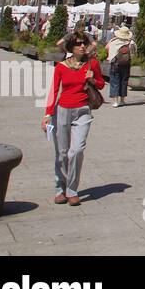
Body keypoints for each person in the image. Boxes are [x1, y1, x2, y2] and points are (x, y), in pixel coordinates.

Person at [43, 32, 105, 206]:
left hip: (83, 110)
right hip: (62, 110)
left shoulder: (92, 64)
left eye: (84, 43)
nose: (82, 46)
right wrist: (48, 114)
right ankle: (60, 189)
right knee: (62, 152)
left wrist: (92, 79)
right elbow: (53, 91)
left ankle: (72, 190)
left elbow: (101, 84)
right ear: (71, 47)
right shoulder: (61, 67)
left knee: (76, 150)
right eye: (78, 44)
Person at [105, 26, 135, 107]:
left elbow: (107, 47)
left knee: (115, 81)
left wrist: (112, 40)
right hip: (126, 64)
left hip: (115, 63)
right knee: (124, 81)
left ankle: (115, 101)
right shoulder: (131, 42)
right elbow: (134, 52)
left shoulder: (115, 42)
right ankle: (122, 100)